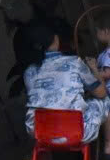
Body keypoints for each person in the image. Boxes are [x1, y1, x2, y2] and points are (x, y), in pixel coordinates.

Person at [21, 17, 105, 146]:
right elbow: (101, 93)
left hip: (40, 133)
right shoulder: (74, 62)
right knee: (106, 101)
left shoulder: (29, 72)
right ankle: (108, 147)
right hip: (74, 132)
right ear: (56, 39)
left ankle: (48, 156)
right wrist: (94, 69)